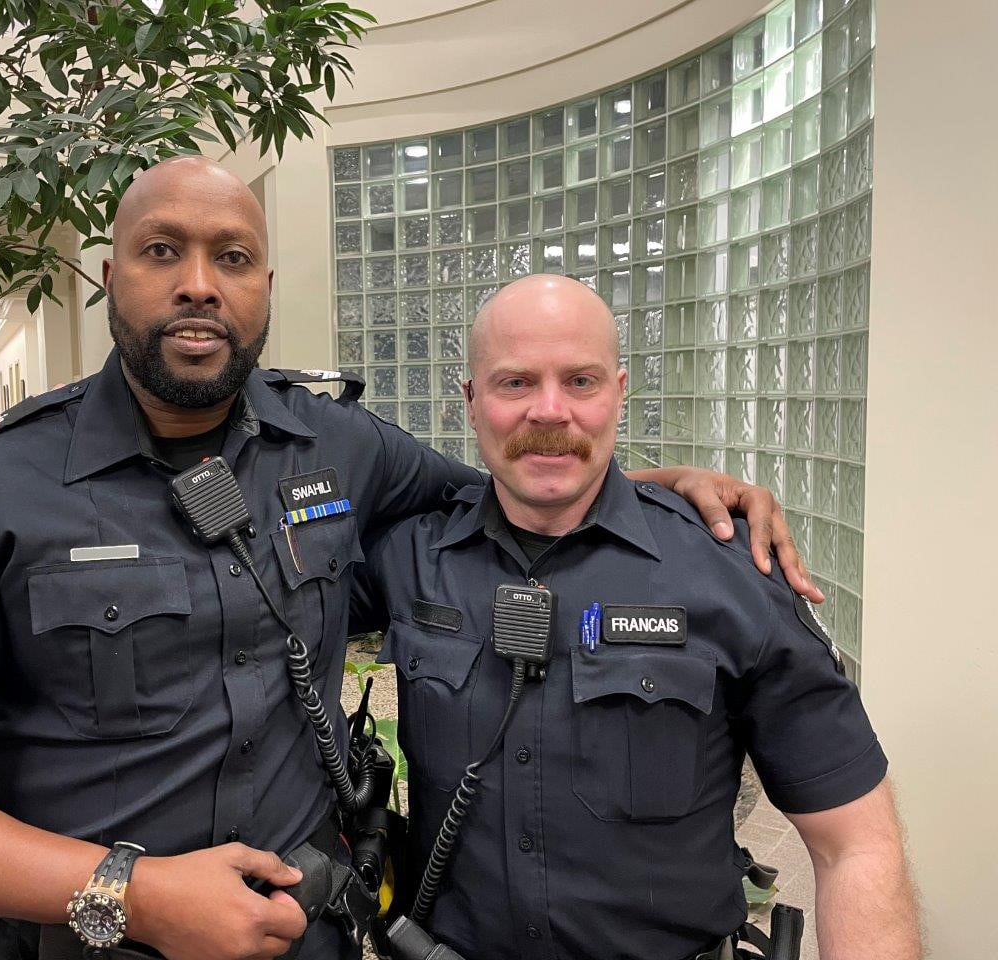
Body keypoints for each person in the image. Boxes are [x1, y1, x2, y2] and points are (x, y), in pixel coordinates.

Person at [0, 159, 815, 960]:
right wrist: (138, 894)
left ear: (264, 288)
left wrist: (659, 487)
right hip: (87, 941)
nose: (198, 283)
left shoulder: (336, 444)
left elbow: (507, 491)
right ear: (111, 278)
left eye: (232, 257)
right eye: (162, 251)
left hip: (308, 934)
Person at [353, 274, 920, 960]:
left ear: (619, 393)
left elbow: (854, 845)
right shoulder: (409, 556)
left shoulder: (734, 572)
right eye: (516, 383)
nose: (550, 411)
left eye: (581, 381)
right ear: (472, 402)